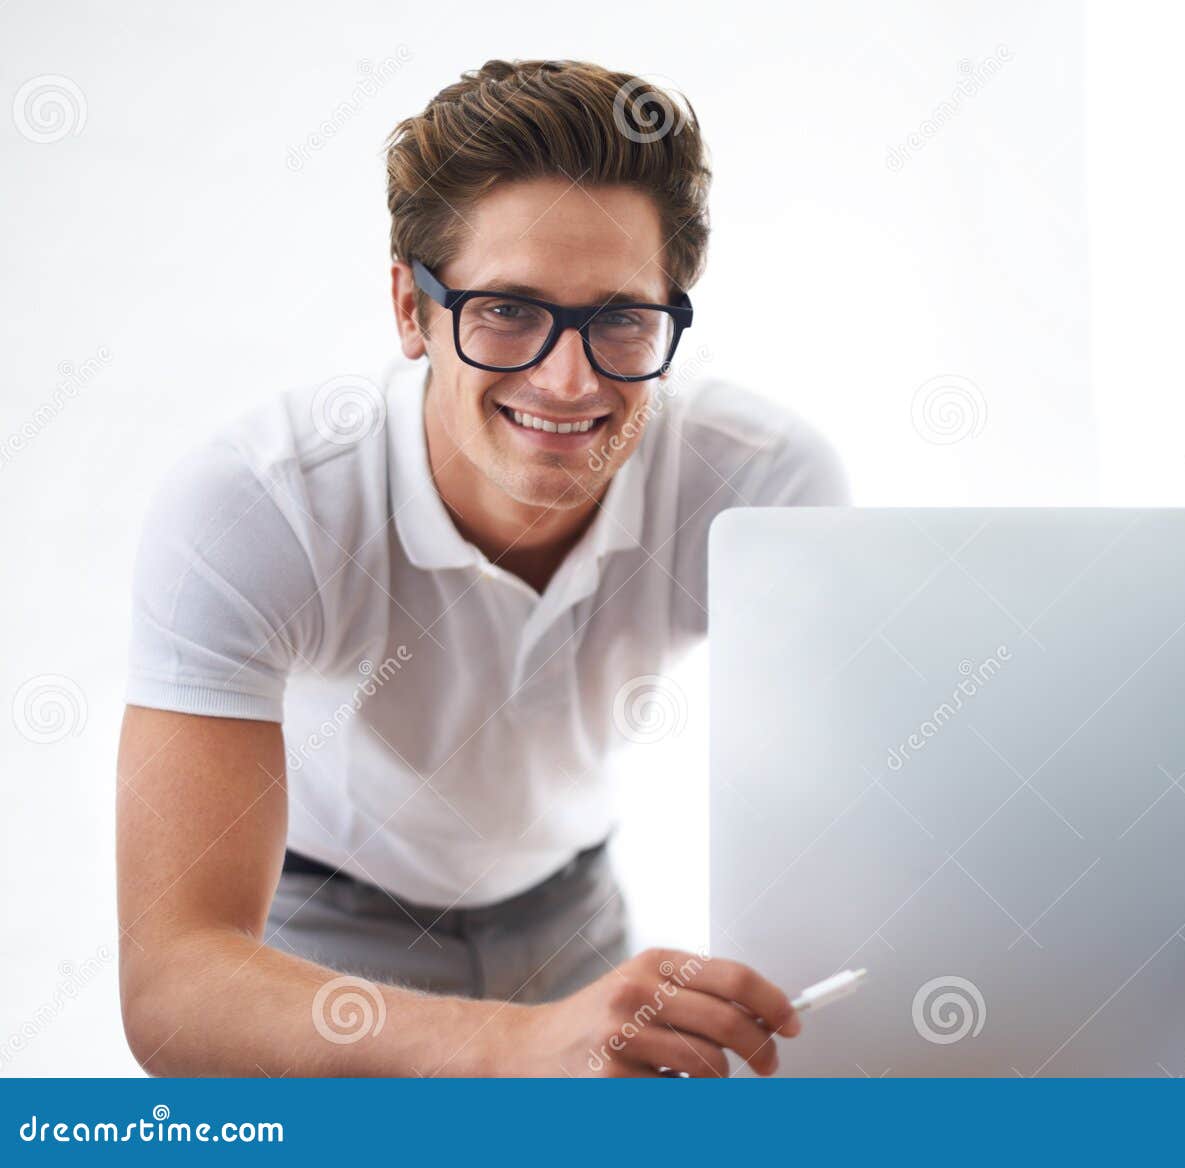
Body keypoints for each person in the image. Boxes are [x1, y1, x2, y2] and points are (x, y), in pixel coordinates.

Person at [115, 58, 847, 1077]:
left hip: (573, 914)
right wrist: (517, 1044)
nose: (568, 377)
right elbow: (175, 986)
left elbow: (847, 799)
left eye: (621, 318)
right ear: (410, 312)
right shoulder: (261, 503)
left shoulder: (762, 480)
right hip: (323, 940)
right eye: (506, 309)